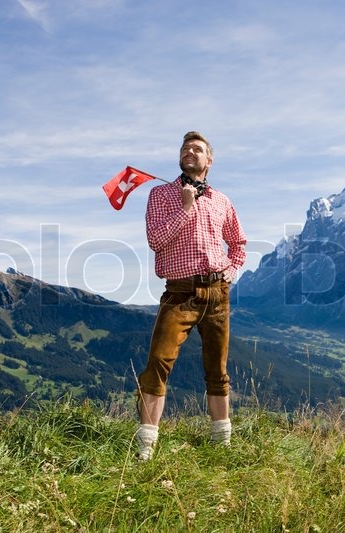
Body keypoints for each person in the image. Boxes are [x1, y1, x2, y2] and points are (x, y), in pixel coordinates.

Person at [135, 131, 247, 461]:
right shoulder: (160, 194)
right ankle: (145, 450)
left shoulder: (222, 201)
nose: (189, 152)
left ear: (208, 161)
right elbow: (156, 240)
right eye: (185, 148)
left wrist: (232, 269)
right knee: (158, 363)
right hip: (179, 292)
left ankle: (222, 445)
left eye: (197, 149)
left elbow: (239, 242)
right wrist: (185, 208)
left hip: (217, 292)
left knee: (217, 368)